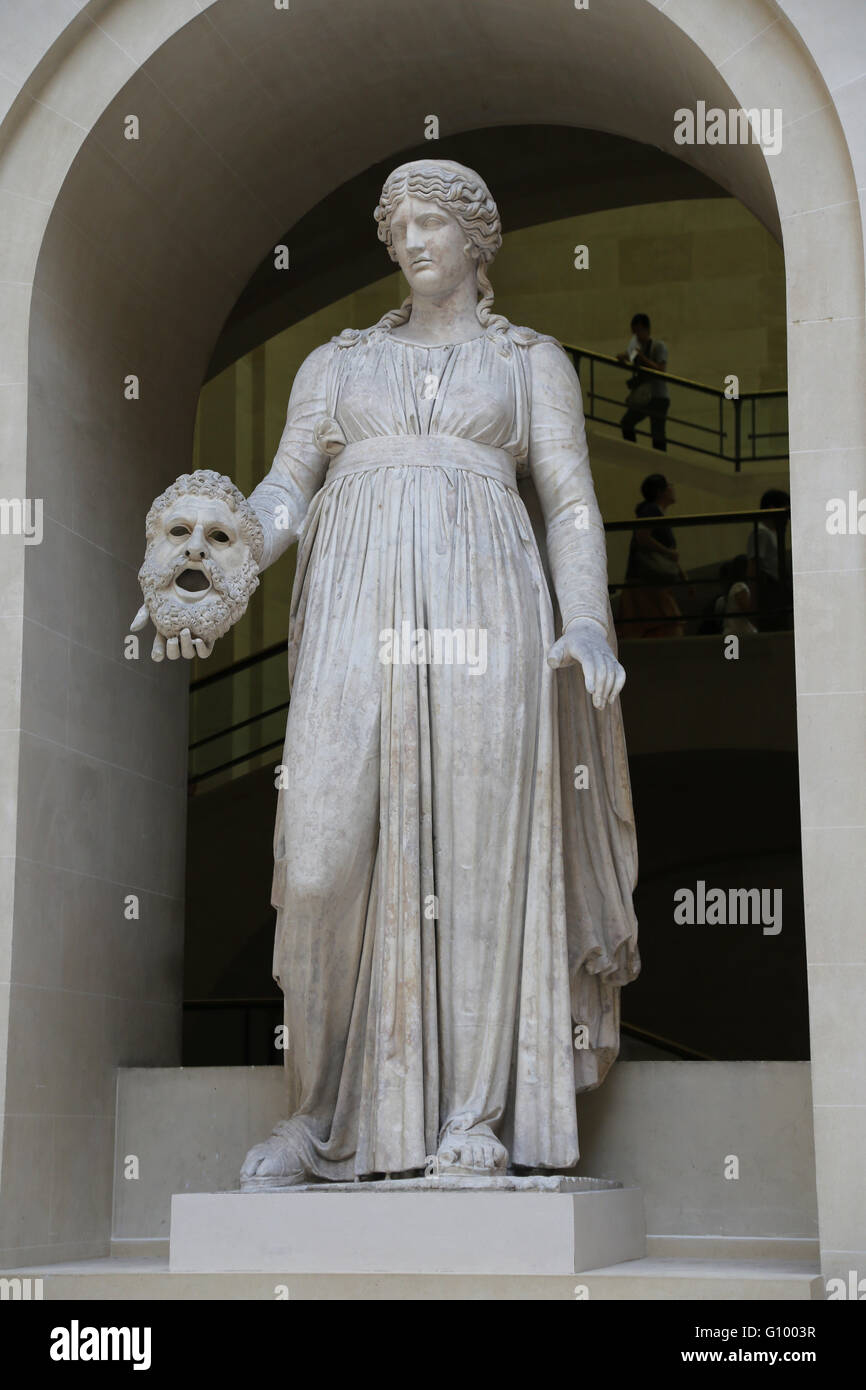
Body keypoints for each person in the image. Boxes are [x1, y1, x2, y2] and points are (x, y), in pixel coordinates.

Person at [137, 159, 640, 1185]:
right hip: (353, 607)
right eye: (396, 226)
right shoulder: (334, 363)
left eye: (430, 224)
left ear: (475, 239)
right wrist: (213, 556)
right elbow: (280, 490)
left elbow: (571, 498)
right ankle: (318, 1115)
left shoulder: (529, 361)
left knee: (477, 858)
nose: (410, 241)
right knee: (319, 860)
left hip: (488, 602)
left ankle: (472, 1116)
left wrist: (586, 618)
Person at [617, 473, 685, 638]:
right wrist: (669, 553)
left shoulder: (653, 511)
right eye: (669, 485)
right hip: (646, 582)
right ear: (660, 491)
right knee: (665, 627)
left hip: (647, 581)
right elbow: (643, 537)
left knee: (655, 628)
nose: (673, 488)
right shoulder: (651, 511)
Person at [617, 313, 670, 450]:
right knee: (627, 423)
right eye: (634, 332)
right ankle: (633, 452)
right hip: (645, 395)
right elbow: (630, 357)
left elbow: (661, 369)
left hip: (658, 396)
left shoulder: (658, 346)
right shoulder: (638, 349)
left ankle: (660, 464)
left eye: (638, 331)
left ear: (646, 329)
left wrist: (642, 358)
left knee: (657, 433)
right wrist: (624, 357)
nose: (637, 336)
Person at [746, 488, 791, 630]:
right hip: (769, 592)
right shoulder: (762, 533)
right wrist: (753, 604)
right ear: (772, 508)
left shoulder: (770, 534)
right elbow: (753, 567)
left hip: (775, 590)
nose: (788, 517)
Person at [721, 554, 758, 638]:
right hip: (738, 635)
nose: (753, 568)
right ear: (744, 568)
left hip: (735, 634)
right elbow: (747, 611)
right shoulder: (740, 587)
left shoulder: (736, 586)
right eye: (750, 565)